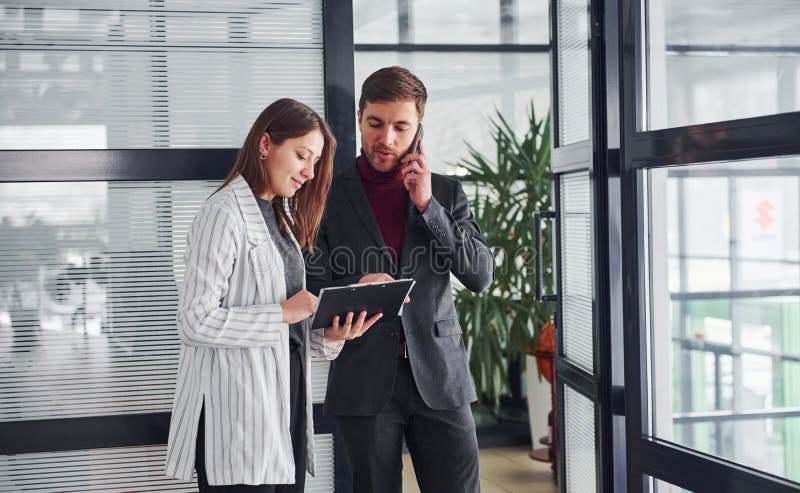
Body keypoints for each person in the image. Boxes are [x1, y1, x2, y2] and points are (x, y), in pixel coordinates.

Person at [164, 98, 382, 492]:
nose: (309, 173)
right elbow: (194, 322)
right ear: (265, 145)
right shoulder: (223, 213)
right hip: (237, 415)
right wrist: (282, 312)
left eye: (315, 162)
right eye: (302, 156)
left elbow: (285, 331)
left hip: (285, 405)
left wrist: (328, 337)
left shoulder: (279, 218)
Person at [305, 67, 495, 493]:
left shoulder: (445, 193)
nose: (386, 138)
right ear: (359, 118)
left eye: (400, 126)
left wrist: (427, 206)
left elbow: (480, 275)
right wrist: (358, 288)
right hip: (364, 379)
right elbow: (312, 285)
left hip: (441, 378)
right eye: (375, 123)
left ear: (418, 130)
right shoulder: (325, 195)